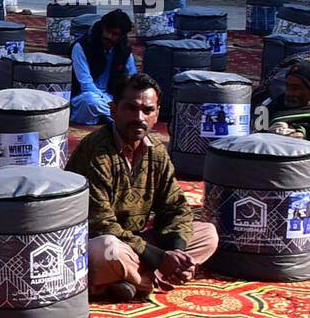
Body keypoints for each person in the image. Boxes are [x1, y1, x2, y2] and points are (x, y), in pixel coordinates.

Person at [68, 73, 219, 302]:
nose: (139, 117)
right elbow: (100, 225)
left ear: (157, 113)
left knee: (208, 234)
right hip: (93, 241)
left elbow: (175, 208)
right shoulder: (96, 153)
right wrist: (158, 258)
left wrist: (175, 251)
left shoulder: (156, 151)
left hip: (136, 243)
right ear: (113, 109)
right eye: (130, 108)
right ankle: (147, 281)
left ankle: (127, 279)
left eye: (147, 110)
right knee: (107, 250)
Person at [71, 9, 137, 125]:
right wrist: (112, 104)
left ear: (121, 36)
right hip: (85, 96)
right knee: (90, 101)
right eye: (107, 31)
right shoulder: (81, 46)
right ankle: (121, 118)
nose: (109, 36)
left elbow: (132, 77)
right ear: (102, 28)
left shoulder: (124, 49)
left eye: (115, 34)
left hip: (111, 97)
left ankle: (111, 116)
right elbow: (86, 85)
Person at [259, 58, 310, 140]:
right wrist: (269, 130)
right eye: (288, 86)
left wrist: (301, 131)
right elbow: (258, 128)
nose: (289, 93)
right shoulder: (276, 104)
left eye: (296, 88)